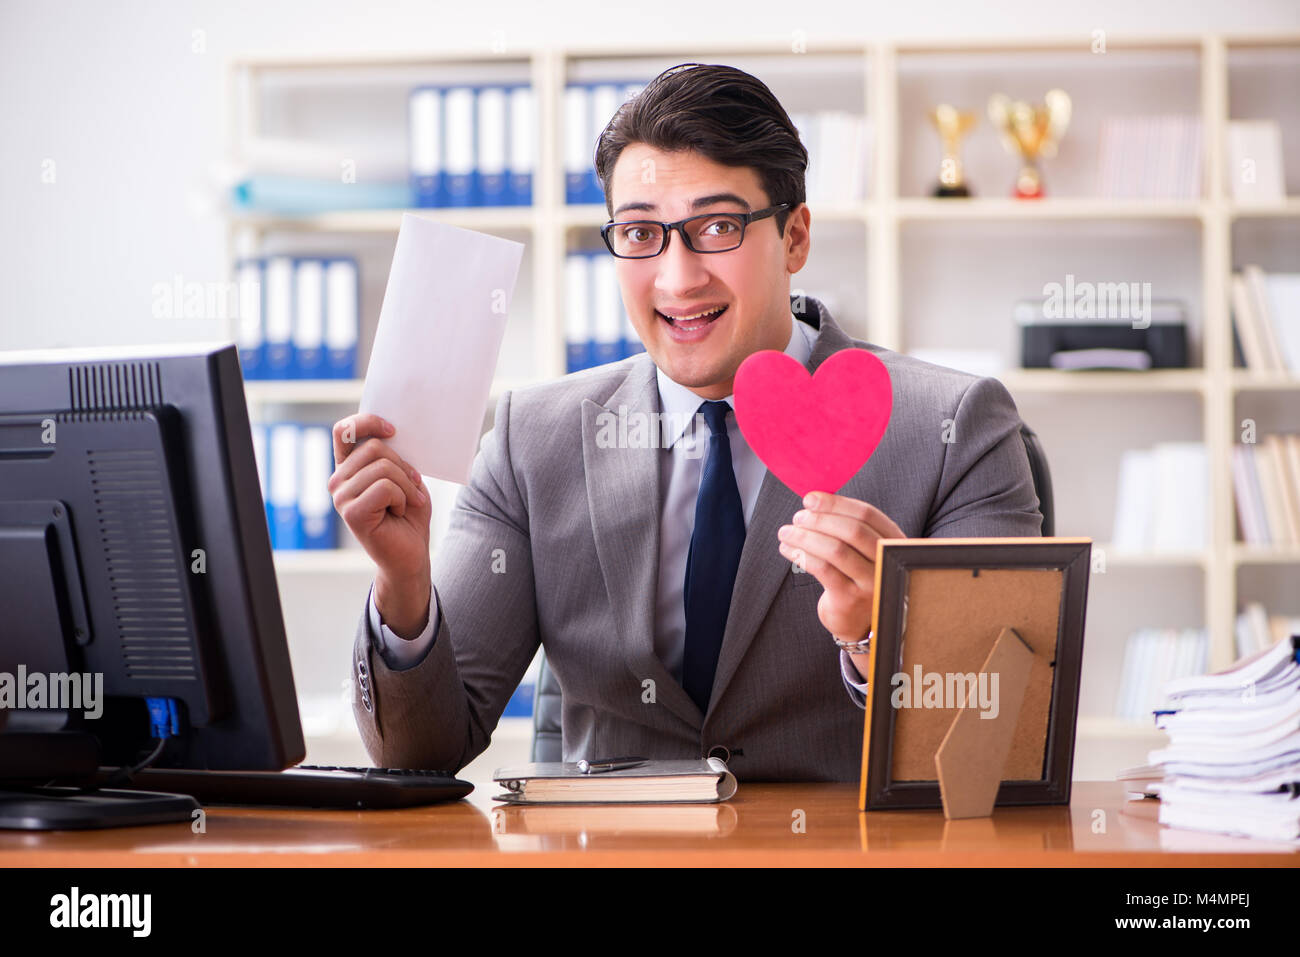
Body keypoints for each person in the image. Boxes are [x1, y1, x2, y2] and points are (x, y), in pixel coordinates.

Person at [328, 62, 1043, 781]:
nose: (678, 278)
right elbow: (421, 754)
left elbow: (999, 751)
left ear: (795, 237)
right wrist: (405, 586)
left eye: (718, 226)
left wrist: (878, 639)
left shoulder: (954, 430)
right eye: (641, 233)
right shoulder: (531, 441)